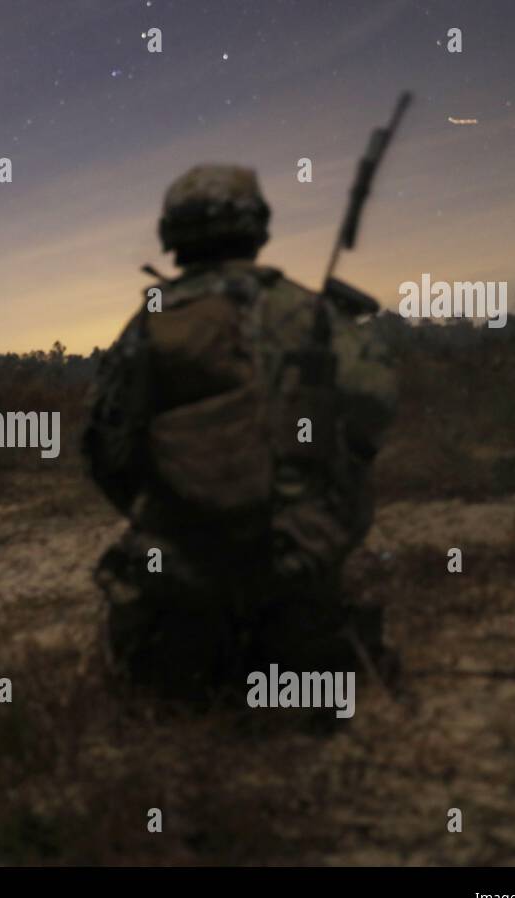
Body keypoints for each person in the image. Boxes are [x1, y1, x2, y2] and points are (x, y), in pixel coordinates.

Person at [82, 164, 398, 699]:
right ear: (258, 228)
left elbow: (104, 449)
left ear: (172, 237)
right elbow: (375, 405)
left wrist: (163, 506)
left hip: (180, 573)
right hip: (298, 559)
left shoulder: (150, 324)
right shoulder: (302, 309)